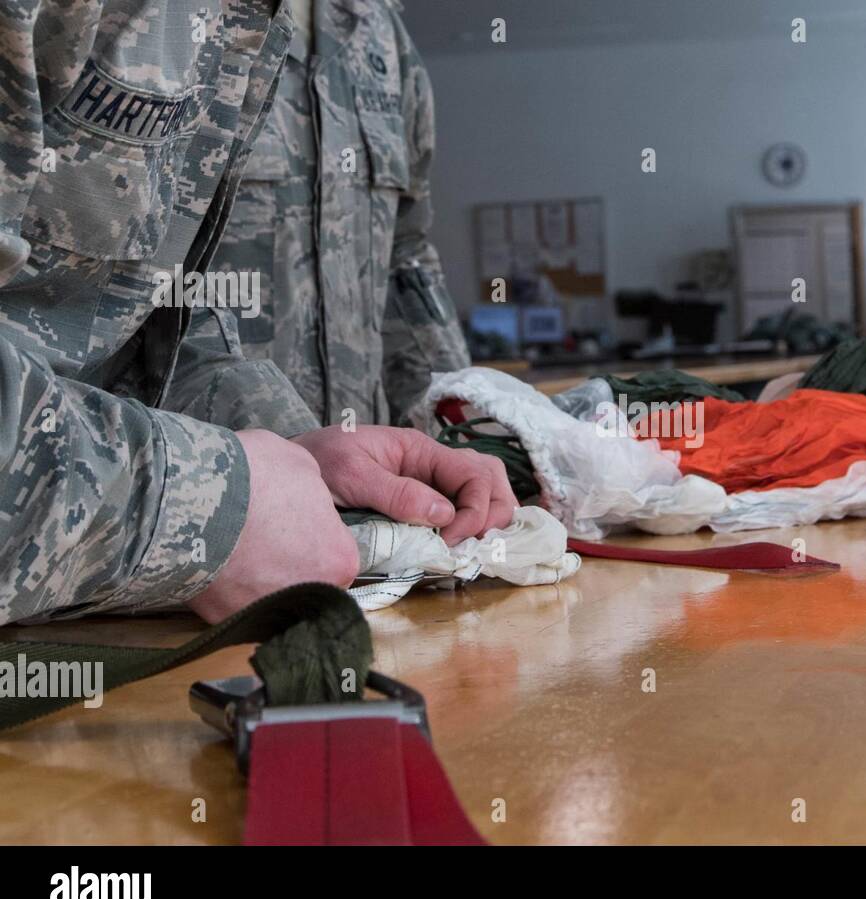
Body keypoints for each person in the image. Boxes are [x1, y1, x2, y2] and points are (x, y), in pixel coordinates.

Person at [0, 0, 514, 627]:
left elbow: (136, 321)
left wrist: (291, 453)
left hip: (118, 602)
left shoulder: (294, 24)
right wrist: (209, 505)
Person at [211, 0, 470, 428]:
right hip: (225, 458)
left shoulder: (379, 31)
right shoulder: (175, 18)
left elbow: (404, 252)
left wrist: (455, 415)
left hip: (366, 454)